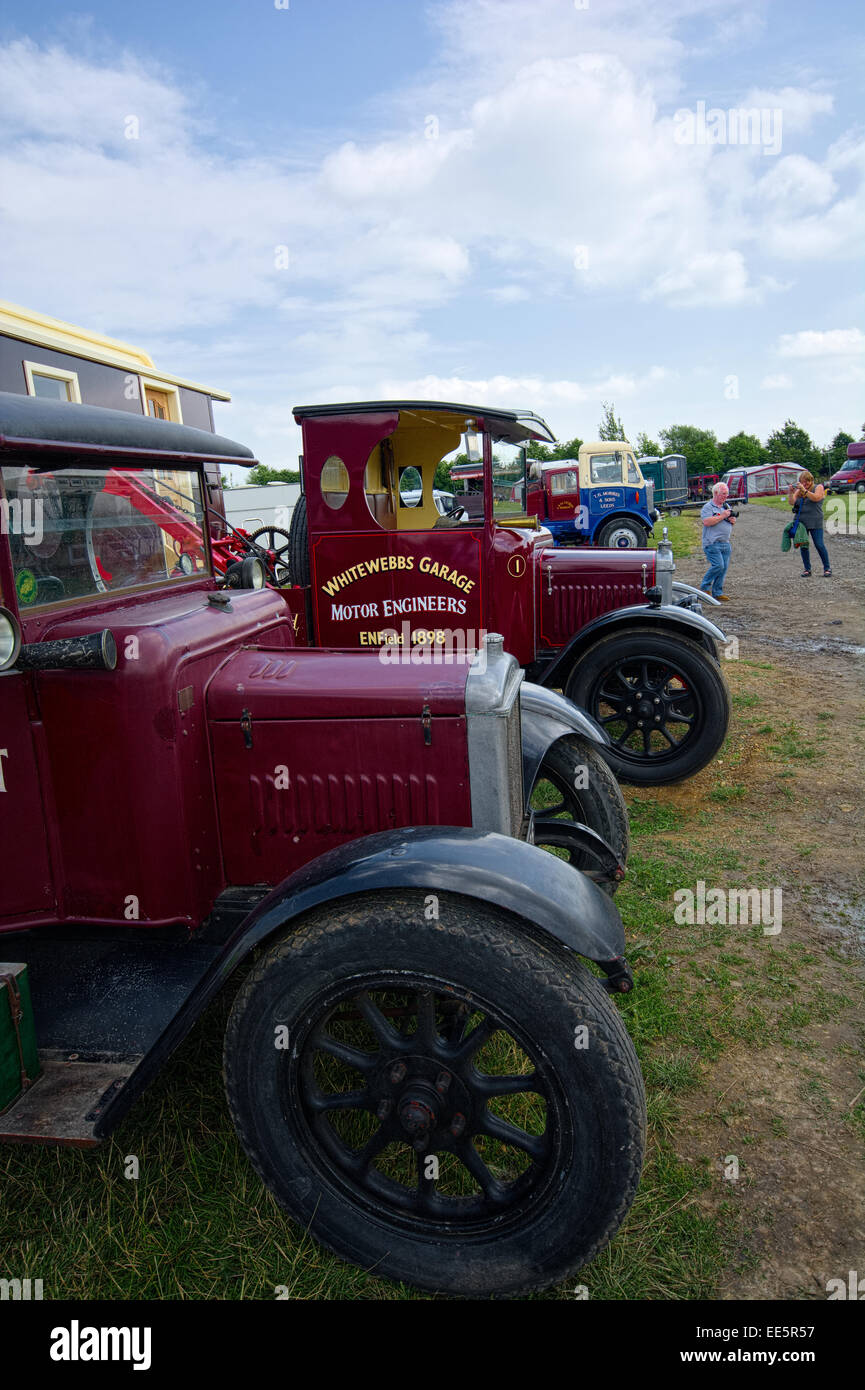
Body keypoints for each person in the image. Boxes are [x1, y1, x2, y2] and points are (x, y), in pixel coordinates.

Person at [786, 471, 831, 578]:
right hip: (801, 521)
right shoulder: (800, 490)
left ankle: (827, 568)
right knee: (803, 545)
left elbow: (816, 498)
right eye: (802, 482)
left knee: (819, 544)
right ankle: (807, 569)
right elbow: (792, 502)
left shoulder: (818, 487)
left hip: (815, 521)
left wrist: (804, 490)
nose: (804, 484)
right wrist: (791, 492)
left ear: (811, 481)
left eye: (806, 482)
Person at [700, 480, 736, 601]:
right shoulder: (708, 507)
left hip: (725, 543)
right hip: (712, 543)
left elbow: (727, 521)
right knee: (718, 565)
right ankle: (705, 588)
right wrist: (723, 516)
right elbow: (707, 522)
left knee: (723, 568)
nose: (726, 496)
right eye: (723, 494)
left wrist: (732, 521)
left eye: (727, 494)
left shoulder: (726, 506)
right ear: (715, 493)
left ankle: (717, 592)